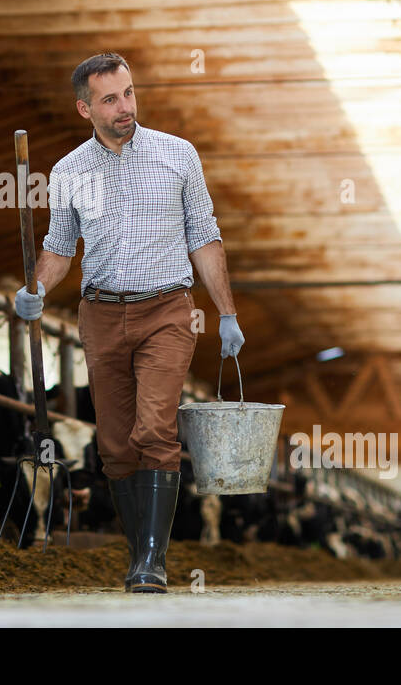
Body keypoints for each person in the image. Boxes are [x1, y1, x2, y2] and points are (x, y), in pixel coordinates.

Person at [15, 52, 243, 593]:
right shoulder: (70, 172)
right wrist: (36, 289)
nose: (125, 107)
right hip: (99, 313)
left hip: (168, 309)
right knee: (116, 445)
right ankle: (139, 549)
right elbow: (58, 248)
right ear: (84, 108)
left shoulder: (177, 156)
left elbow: (204, 238)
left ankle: (151, 562)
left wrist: (227, 312)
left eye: (129, 93)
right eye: (110, 99)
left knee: (155, 428)